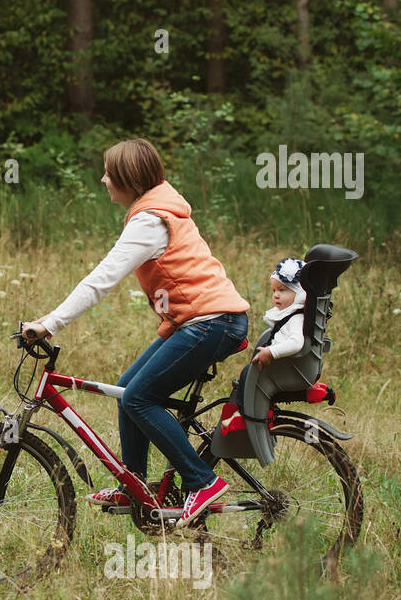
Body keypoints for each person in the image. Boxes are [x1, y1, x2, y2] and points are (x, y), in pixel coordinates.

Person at [22, 138, 249, 529]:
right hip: (203, 321)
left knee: (141, 398)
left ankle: (203, 481)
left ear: (129, 178)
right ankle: (134, 484)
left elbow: (101, 281)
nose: (103, 179)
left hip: (210, 323)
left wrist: (49, 322)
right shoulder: (155, 210)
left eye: (110, 173)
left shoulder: (150, 220)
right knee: (128, 389)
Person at [252, 258, 306, 369]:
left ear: (299, 294)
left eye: (282, 290)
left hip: (283, 370)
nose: (276, 295)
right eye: (274, 290)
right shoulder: (288, 316)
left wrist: (272, 352)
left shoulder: (296, 319)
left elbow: (296, 342)